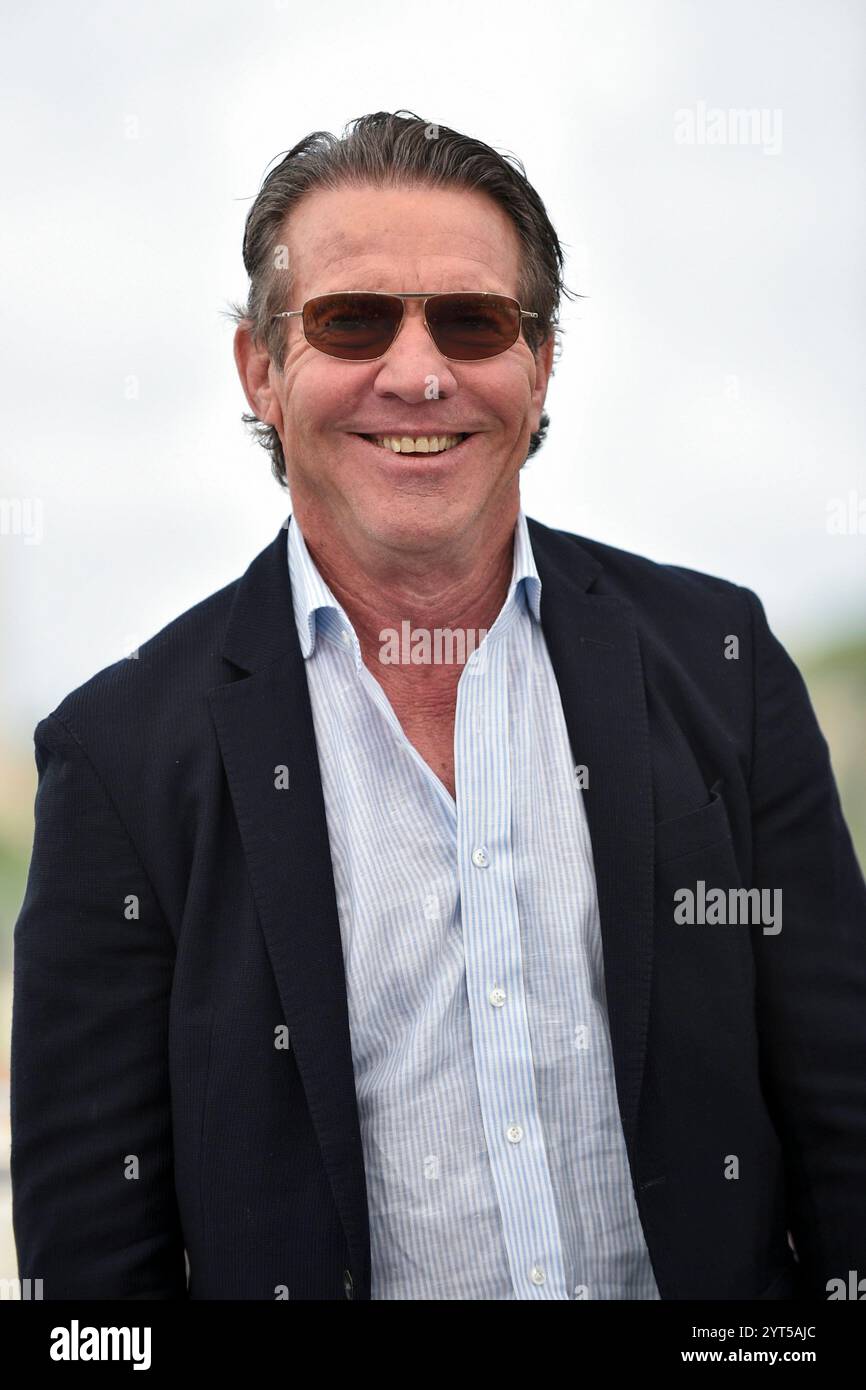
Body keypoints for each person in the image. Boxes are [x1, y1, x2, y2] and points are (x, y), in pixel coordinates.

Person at [12, 111, 866, 1301]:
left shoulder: (719, 662)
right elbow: (96, 1270)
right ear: (261, 369)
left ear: (540, 364)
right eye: (351, 320)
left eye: (471, 322)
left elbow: (844, 1120)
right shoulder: (117, 757)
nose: (417, 372)